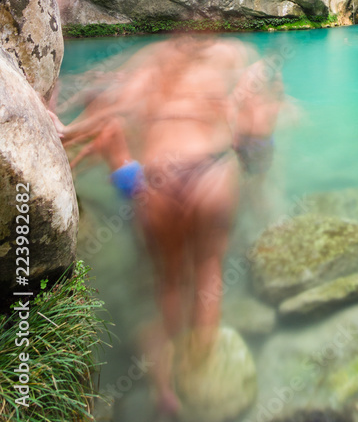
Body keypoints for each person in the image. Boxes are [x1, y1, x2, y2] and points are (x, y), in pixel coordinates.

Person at [63, 34, 252, 417]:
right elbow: (242, 119)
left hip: (156, 178)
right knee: (207, 272)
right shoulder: (228, 58)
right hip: (207, 170)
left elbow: (113, 114)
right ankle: (201, 364)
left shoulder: (149, 64)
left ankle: (166, 390)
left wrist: (64, 134)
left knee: (166, 281)